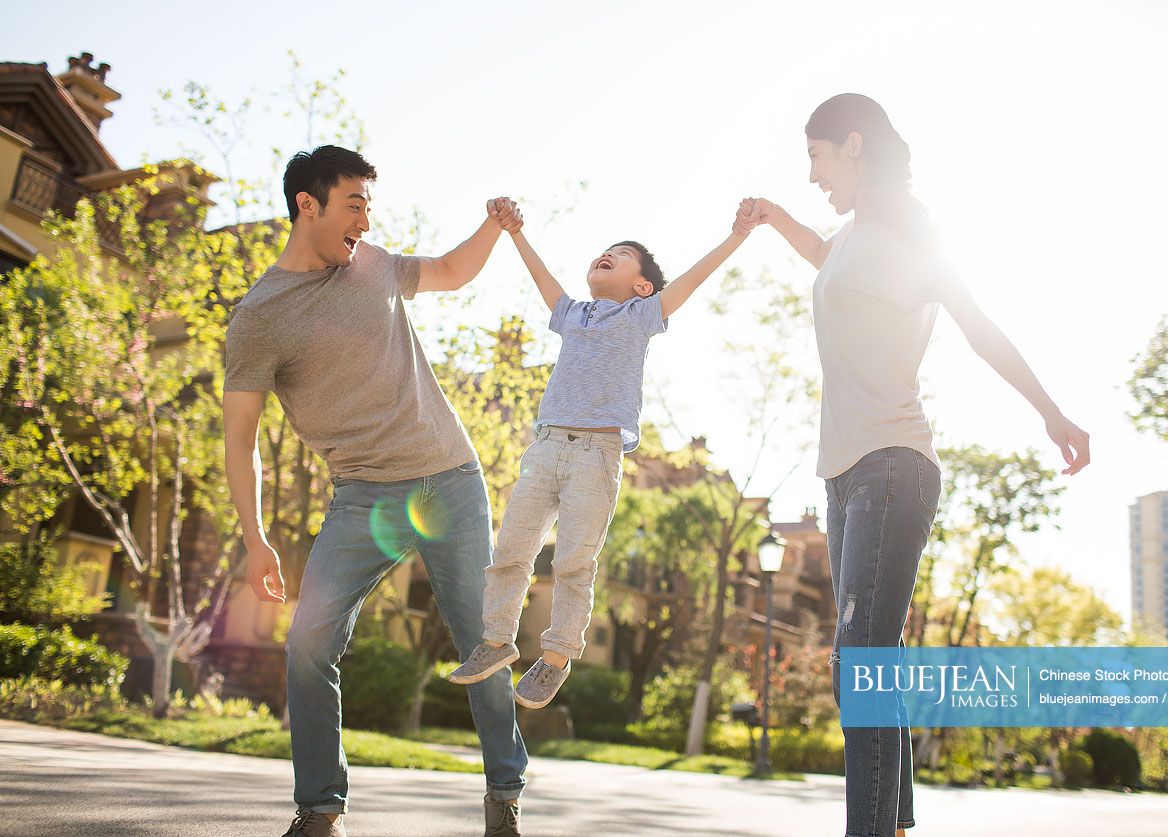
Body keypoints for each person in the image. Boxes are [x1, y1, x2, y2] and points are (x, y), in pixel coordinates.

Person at [744, 93, 1090, 837]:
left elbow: (980, 328)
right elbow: (819, 251)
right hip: (843, 476)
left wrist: (1051, 412)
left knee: (858, 662)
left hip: (891, 468)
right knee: (873, 658)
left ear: (854, 146)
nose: (811, 174)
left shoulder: (913, 245)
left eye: (815, 155)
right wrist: (773, 216)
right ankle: (893, 823)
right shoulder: (845, 239)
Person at [222, 145, 529, 837]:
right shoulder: (260, 317)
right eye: (353, 203)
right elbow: (239, 438)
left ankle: (503, 794)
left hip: (448, 477)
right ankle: (319, 807)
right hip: (363, 495)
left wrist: (494, 226)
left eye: (368, 205)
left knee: (481, 643)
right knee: (307, 641)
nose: (363, 219)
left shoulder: (372, 264)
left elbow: (449, 272)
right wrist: (256, 539)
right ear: (308, 204)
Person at [447, 200, 758, 710]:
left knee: (573, 561)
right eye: (604, 251)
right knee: (510, 550)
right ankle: (497, 641)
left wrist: (737, 236)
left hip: (597, 453)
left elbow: (691, 280)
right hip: (546, 447)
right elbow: (541, 276)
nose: (605, 255)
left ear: (642, 286)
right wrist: (515, 232)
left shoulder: (641, 316)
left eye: (621, 254)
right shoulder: (572, 314)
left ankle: (555, 658)